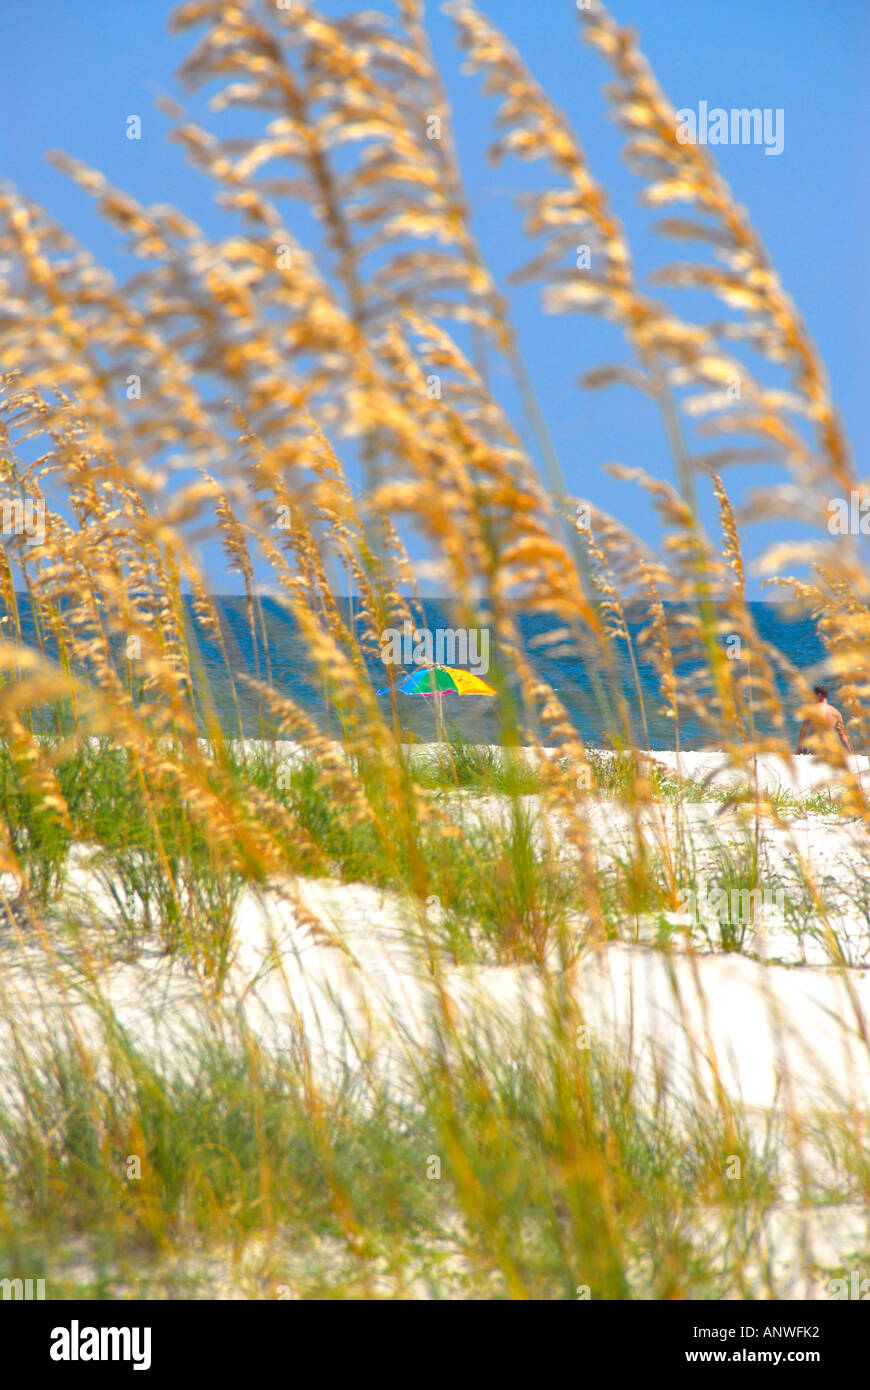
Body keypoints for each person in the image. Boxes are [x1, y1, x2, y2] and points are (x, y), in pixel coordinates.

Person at [796, 685, 852, 755]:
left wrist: (798, 750)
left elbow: (803, 732)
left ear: (819, 695)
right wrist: (850, 753)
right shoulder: (836, 712)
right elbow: (843, 736)